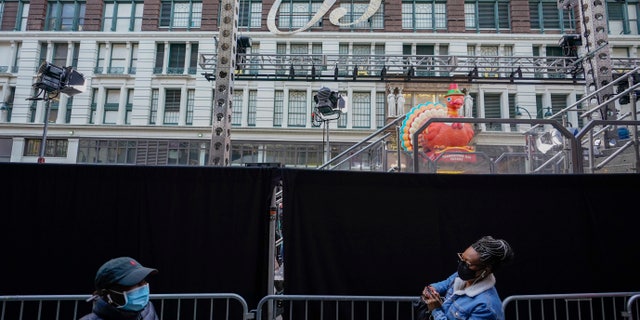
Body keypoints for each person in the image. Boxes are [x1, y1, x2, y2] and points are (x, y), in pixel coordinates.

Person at [416, 236, 514, 320]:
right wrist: (431, 290)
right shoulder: (462, 276)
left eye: (467, 263)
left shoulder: (486, 306)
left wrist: (435, 309)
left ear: (486, 270)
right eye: (462, 258)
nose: (462, 265)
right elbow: (445, 284)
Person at [80, 257, 159, 320]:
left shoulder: (147, 310)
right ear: (107, 294)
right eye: (133, 282)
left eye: (143, 280)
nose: (143, 286)